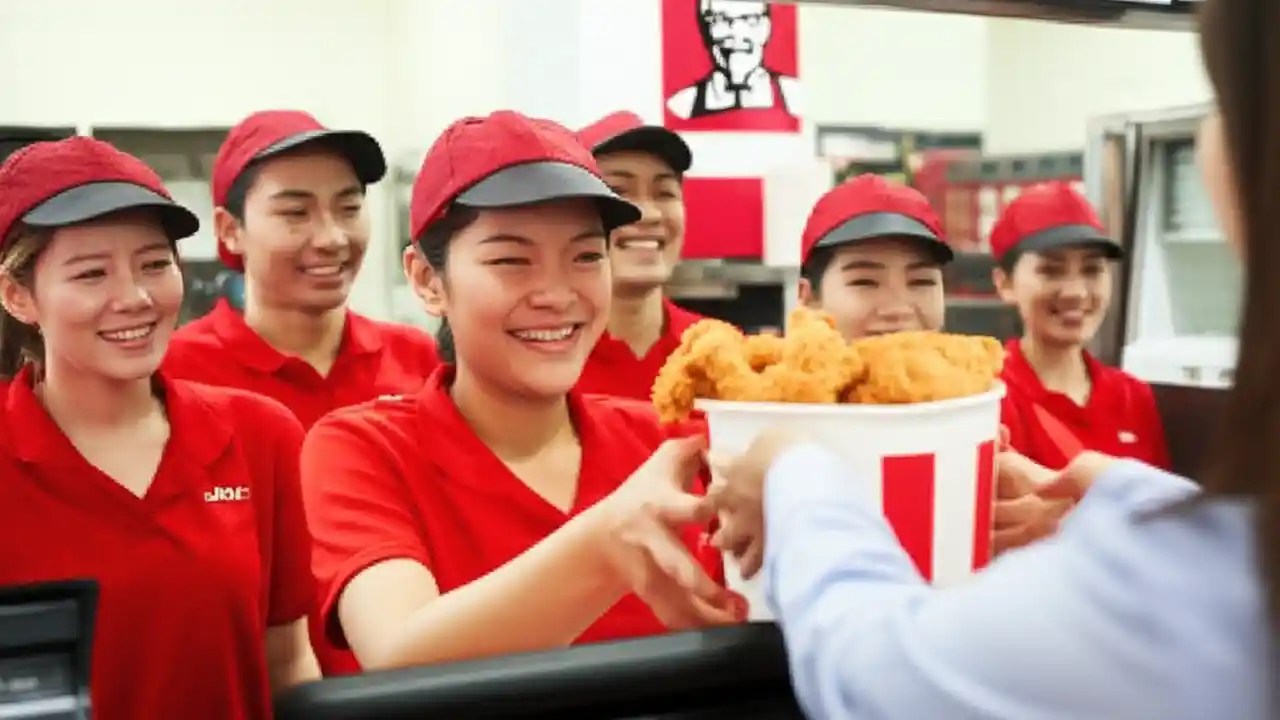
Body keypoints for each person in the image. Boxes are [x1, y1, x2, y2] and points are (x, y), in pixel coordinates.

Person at [705, 0, 1276, 713]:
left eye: (921, 279)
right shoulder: (749, 410)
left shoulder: (1004, 414)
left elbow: (881, 677)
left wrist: (795, 471)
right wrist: (1127, 496)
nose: (898, 304)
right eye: (864, 277)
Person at [299, 110, 743, 672]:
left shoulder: (663, 443)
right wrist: (610, 543)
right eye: (512, 260)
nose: (557, 294)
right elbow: (397, 652)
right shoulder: (363, 451)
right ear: (427, 280)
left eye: (586, 256)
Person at [0, 137, 318, 720]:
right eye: (91, 273)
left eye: (153, 264)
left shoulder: (259, 435)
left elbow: (287, 661)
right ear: (18, 295)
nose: (135, 298)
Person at [163, 110, 440, 431]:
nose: (332, 238)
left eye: (348, 209)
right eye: (296, 213)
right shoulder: (176, 372)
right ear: (230, 230)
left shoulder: (416, 359)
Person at [990, 181, 1170, 472]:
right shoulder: (991, 396)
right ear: (1005, 283)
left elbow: (1160, 511)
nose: (1076, 292)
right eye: (1051, 270)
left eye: (1091, 270)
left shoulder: (1133, 397)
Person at [574, 110, 705, 400]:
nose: (649, 213)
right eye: (618, 191)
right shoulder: (538, 360)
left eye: (665, 192)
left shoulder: (715, 352)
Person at [797, 173, 953, 341]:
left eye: (922, 281)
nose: (897, 309)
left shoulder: (975, 366)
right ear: (809, 300)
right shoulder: (773, 365)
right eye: (864, 282)